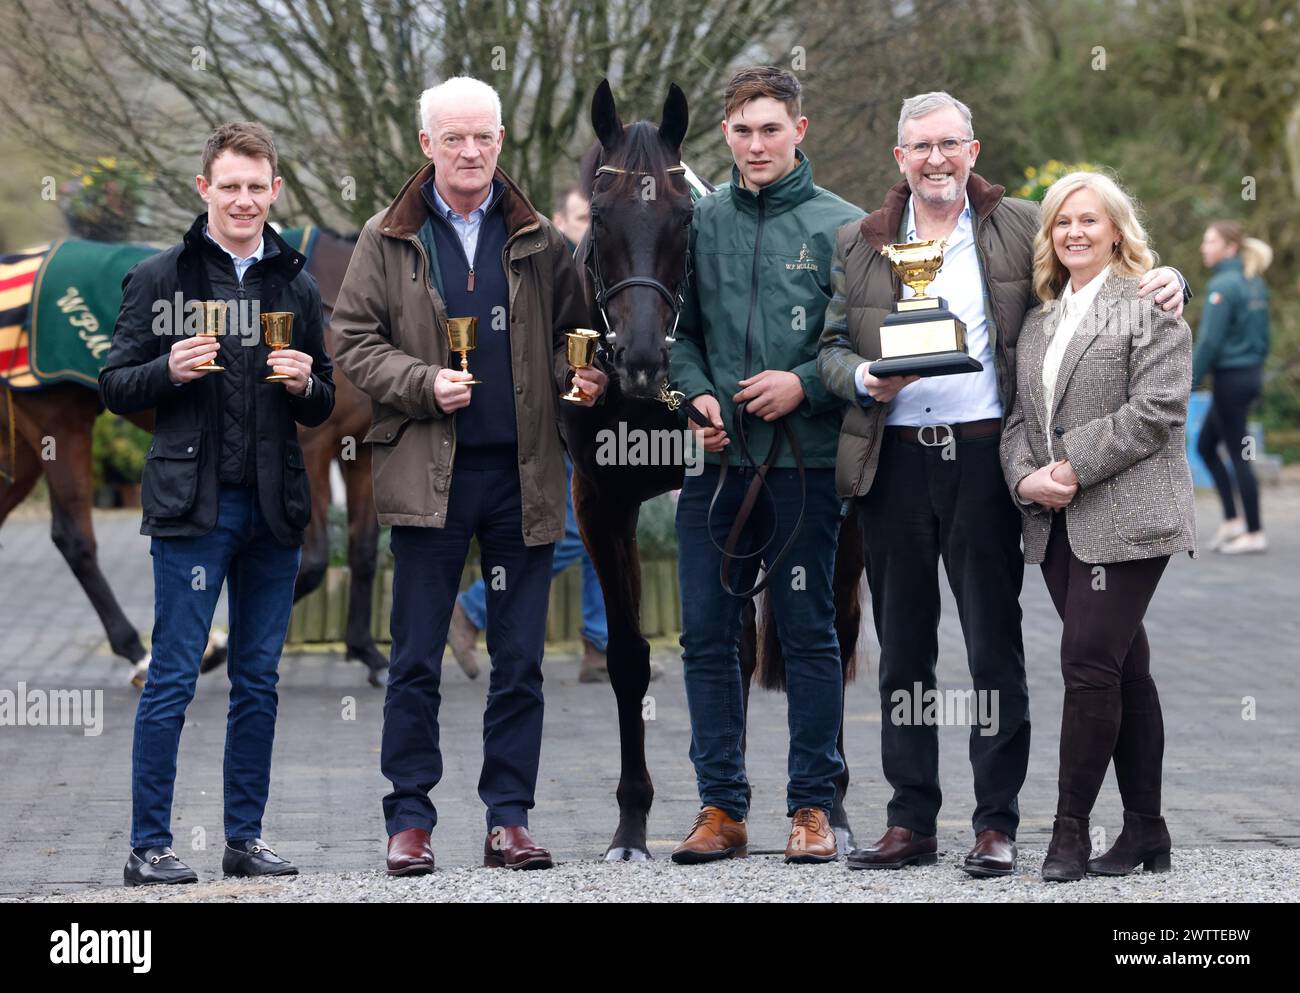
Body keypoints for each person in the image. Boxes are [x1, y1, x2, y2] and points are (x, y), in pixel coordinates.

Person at [817, 92, 1188, 877]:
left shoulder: (1020, 225)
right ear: (900, 159)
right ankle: (911, 818)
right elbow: (825, 348)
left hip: (987, 459)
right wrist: (861, 376)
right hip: (892, 464)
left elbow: (1097, 265)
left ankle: (994, 823)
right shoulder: (858, 241)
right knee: (903, 649)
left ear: (973, 151)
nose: (936, 159)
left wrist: (1172, 278)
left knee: (993, 646)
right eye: (920, 147)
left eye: (949, 144)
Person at [331, 76, 598, 875]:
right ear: (428, 146)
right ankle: (409, 819)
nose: (471, 151)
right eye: (454, 138)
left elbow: (576, 334)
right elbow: (350, 339)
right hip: (427, 477)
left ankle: (508, 818)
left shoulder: (544, 241)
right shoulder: (387, 238)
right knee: (414, 656)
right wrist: (421, 381)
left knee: (519, 660)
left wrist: (579, 377)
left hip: (522, 479)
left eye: (483, 136)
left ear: (501, 140)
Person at [100, 122, 336, 886]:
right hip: (192, 511)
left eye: (255, 187)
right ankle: (148, 847)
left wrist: (307, 384)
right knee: (172, 675)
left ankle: (244, 838)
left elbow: (323, 401)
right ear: (204, 190)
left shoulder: (297, 285)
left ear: (275, 192)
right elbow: (114, 386)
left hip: (273, 513)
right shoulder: (160, 277)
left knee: (259, 680)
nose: (242, 199)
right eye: (228, 186)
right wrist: (166, 367)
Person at [669, 65, 865, 866]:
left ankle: (813, 806)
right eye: (743, 130)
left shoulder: (845, 227)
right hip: (716, 469)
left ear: (799, 132)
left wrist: (804, 385)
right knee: (707, 636)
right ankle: (721, 807)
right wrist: (694, 397)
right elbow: (680, 337)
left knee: (806, 631)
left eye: (771, 129)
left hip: (806, 467)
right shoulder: (699, 221)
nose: (756, 144)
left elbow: (863, 350)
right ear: (727, 135)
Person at [1000, 171, 1195, 881]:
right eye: (1062, 223)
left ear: (1117, 228)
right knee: (1122, 668)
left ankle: (1070, 831)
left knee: (1086, 663)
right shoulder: (1040, 318)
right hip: (1056, 520)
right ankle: (1147, 829)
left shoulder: (1149, 304)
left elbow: (1159, 409)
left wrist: (1072, 465)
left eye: (1089, 220)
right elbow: (1020, 418)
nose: (1075, 232)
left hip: (1131, 514)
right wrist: (1026, 475)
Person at [447, 183, 641, 686]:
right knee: (575, 532)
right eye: (578, 218)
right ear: (559, 218)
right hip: (556, 424)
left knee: (614, 526)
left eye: (591, 220)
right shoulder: (551, 264)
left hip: (608, 416)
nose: (585, 229)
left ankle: (600, 645)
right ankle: (470, 611)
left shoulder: (609, 269)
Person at [1193, 221, 1272, 554]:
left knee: (1239, 453)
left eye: (1210, 241)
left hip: (1230, 380)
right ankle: (1232, 521)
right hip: (1250, 375)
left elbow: (1209, 342)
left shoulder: (1223, 285)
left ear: (1230, 248)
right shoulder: (1254, 283)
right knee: (1206, 447)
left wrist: (1188, 381)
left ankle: (1254, 531)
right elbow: (1264, 338)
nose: (1203, 247)